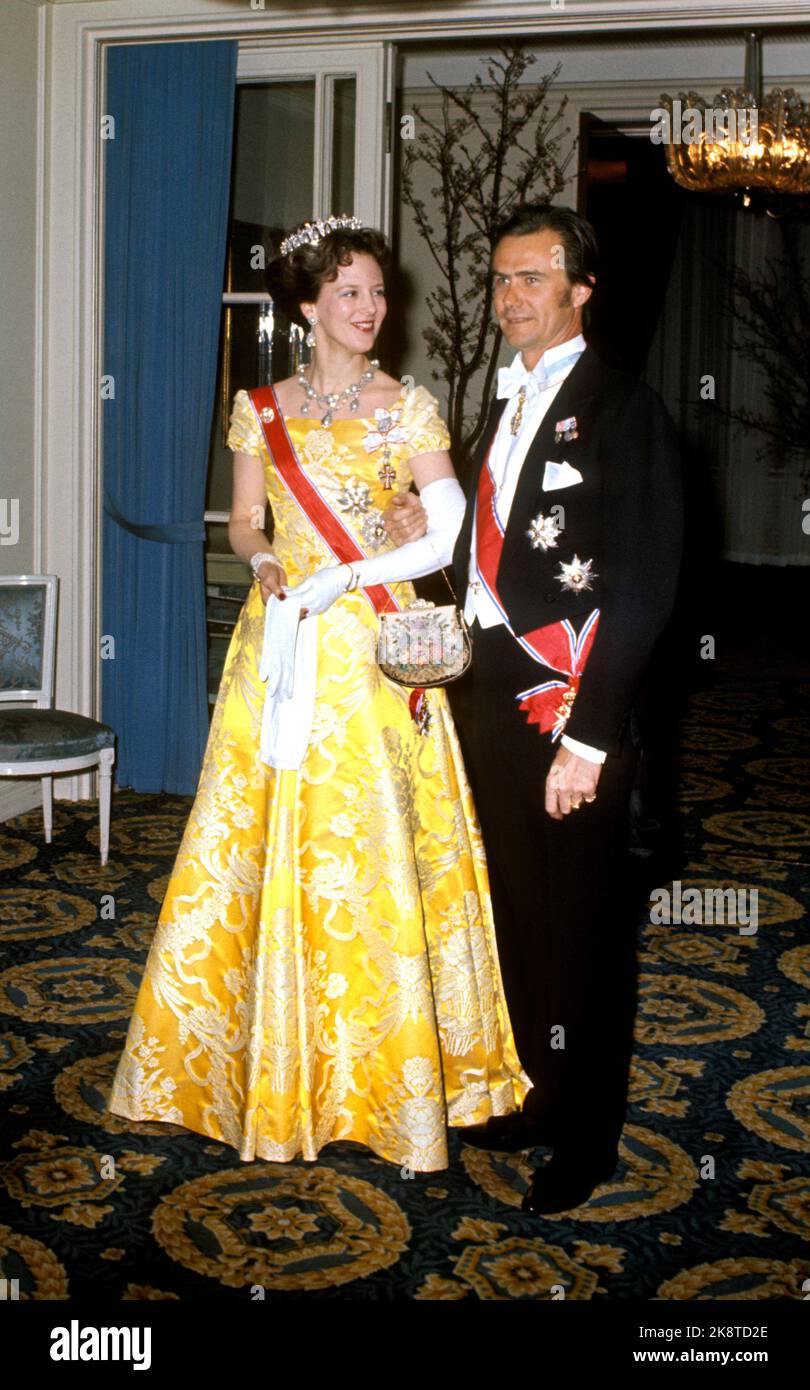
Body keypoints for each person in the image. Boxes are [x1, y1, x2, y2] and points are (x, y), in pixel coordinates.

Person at [108, 215, 526, 1171]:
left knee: (368, 850)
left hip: (373, 649)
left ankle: (385, 1077)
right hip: (282, 640)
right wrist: (261, 563)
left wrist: (367, 559)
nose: (370, 309)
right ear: (307, 307)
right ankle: (250, 1064)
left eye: (378, 293)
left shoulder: (409, 406)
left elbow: (445, 531)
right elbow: (246, 522)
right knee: (256, 843)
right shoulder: (260, 410)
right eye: (350, 293)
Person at [385, 203, 683, 1213]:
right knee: (511, 909)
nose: (509, 298)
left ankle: (585, 1135)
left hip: (572, 701)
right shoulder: (502, 405)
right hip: (488, 695)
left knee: (585, 931)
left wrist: (589, 740)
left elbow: (640, 586)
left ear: (578, 289)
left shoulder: (624, 408)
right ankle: (532, 1090)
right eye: (500, 280)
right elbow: (488, 564)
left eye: (530, 279)